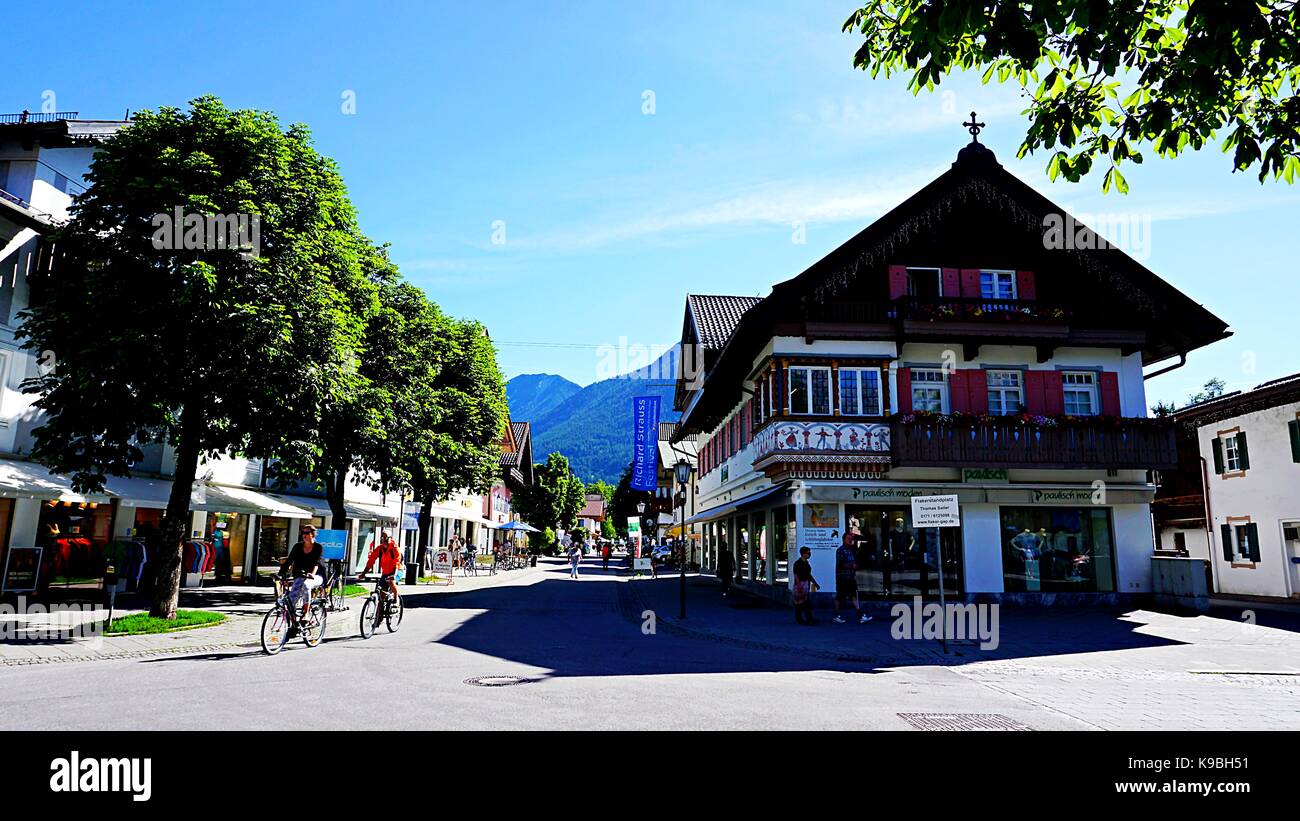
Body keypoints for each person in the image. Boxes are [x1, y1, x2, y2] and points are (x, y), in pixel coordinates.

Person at [284, 524, 324, 622]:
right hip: (301, 576)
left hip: (316, 576)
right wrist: (281, 573)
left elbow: (316, 563)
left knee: (306, 585)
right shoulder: (298, 546)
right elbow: (289, 561)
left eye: (307, 533)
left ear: (313, 534)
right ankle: (293, 624)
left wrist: (312, 574)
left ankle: (306, 613)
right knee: (291, 599)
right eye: (303, 533)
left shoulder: (318, 547)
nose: (304, 535)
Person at [833, 533, 872, 624]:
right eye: (848, 539)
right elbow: (840, 564)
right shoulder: (840, 550)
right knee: (840, 596)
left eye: (851, 539)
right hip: (842, 577)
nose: (850, 540)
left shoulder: (851, 550)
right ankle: (836, 615)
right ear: (843, 539)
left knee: (853, 595)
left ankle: (860, 615)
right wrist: (851, 565)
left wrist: (856, 565)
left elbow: (854, 561)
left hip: (850, 577)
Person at [361, 530, 403, 601]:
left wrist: (393, 575)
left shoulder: (395, 549)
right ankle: (379, 611)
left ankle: (396, 599)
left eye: (385, 537)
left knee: (391, 582)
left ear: (390, 538)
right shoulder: (379, 548)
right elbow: (371, 560)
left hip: (397, 571)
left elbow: (397, 562)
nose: (383, 539)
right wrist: (364, 573)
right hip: (385, 572)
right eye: (382, 537)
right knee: (381, 595)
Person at [792, 546, 819, 625]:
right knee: (803, 602)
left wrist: (815, 583)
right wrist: (799, 585)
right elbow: (796, 574)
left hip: (806, 583)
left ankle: (802, 618)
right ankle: (807, 619)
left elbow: (808, 575)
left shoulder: (806, 563)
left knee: (802, 602)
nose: (809, 554)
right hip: (800, 584)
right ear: (803, 554)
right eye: (807, 553)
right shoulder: (798, 563)